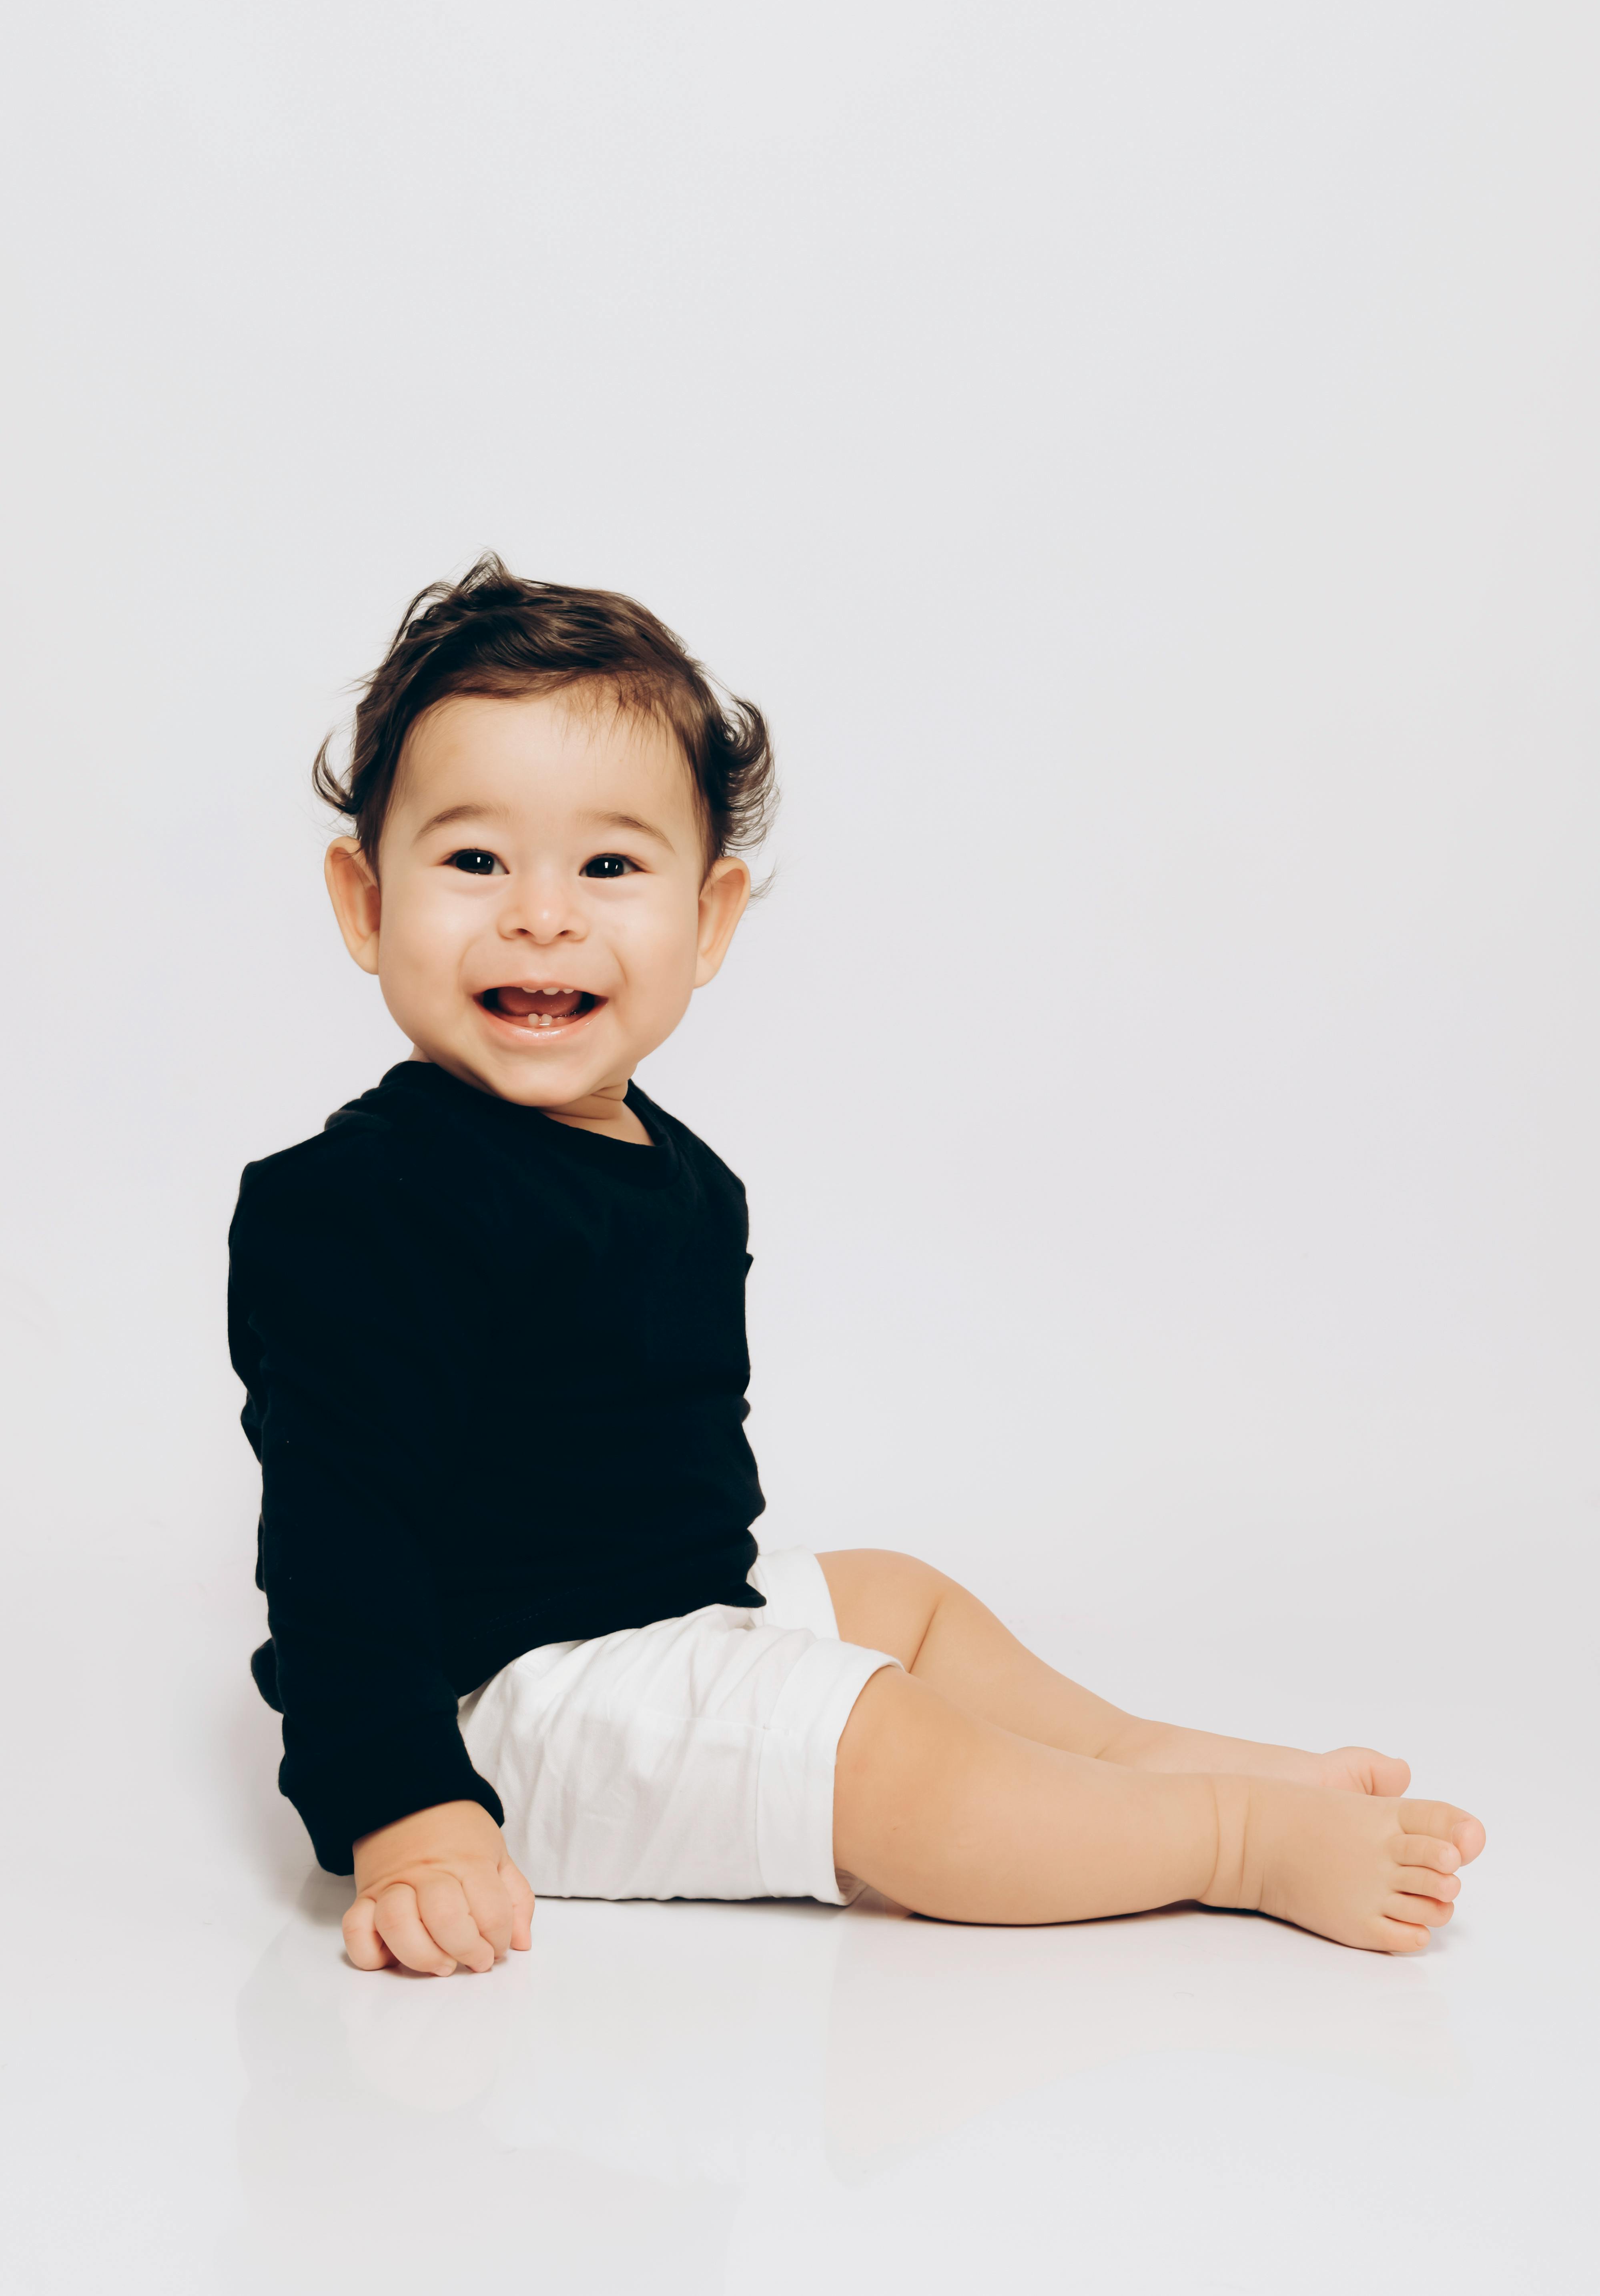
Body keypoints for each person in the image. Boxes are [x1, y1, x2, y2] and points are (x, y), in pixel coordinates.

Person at [229, 556, 1484, 1979]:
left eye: (609, 866)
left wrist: (754, 1646)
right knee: (884, 1747)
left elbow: (660, 1490)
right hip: (492, 1706)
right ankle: (1226, 1843)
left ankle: (1138, 1760)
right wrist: (408, 1814)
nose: (542, 913)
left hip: (651, 1632)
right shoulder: (357, 1206)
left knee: (900, 1596)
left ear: (707, 922)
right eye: (473, 860)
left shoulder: (687, 1181)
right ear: (362, 900)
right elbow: (339, 1549)